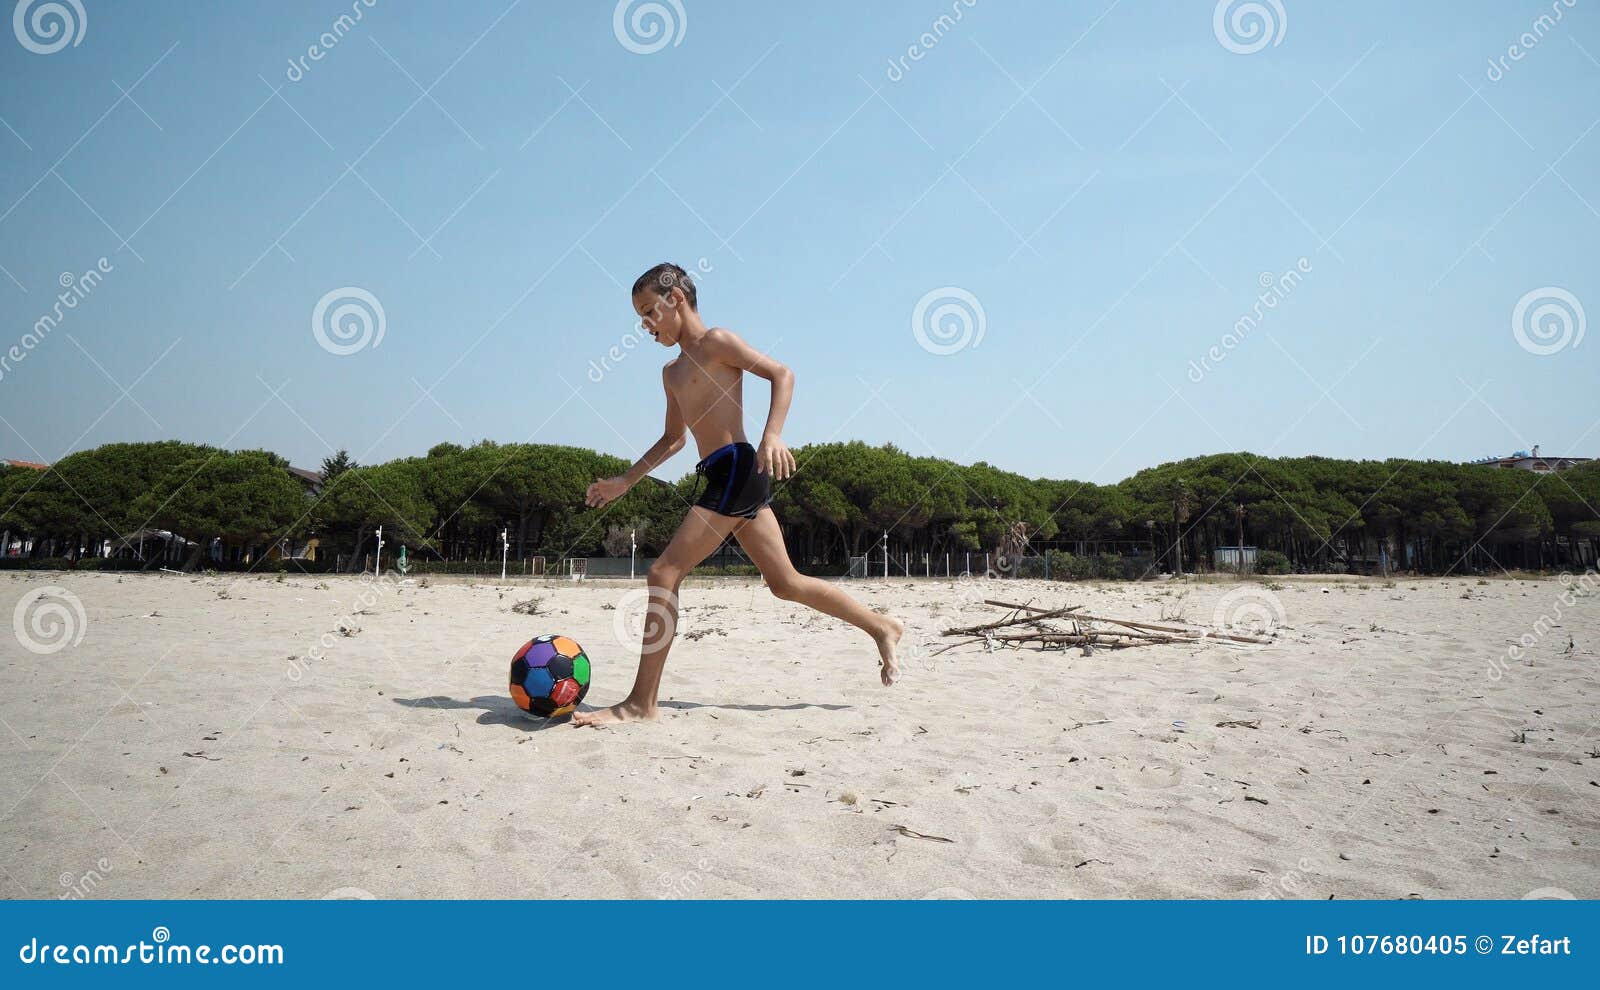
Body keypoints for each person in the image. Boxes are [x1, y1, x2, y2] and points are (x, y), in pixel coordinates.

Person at [574, 263, 903, 727]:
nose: (646, 325)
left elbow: (782, 374)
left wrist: (773, 435)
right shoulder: (671, 373)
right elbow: (674, 439)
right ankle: (882, 626)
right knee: (785, 583)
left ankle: (640, 704)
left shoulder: (717, 343)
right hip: (720, 474)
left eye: (650, 311)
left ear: (676, 301)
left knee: (663, 573)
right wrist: (625, 480)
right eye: (640, 318)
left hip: (739, 466)